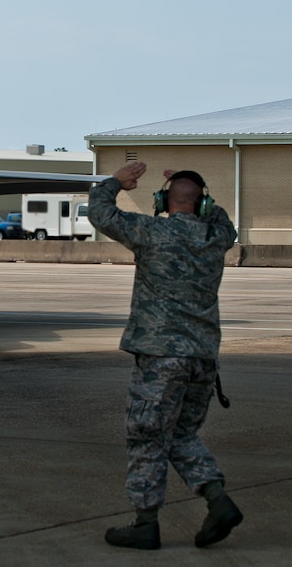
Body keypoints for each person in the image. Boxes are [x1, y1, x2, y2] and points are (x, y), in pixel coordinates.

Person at [88, 162, 242, 550]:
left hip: (161, 358)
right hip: (203, 360)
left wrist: (116, 183)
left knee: (147, 436)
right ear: (204, 204)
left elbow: (99, 212)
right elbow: (227, 224)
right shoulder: (215, 235)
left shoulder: (150, 231)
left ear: (161, 201)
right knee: (182, 434)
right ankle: (218, 501)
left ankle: (145, 522)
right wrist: (198, 187)